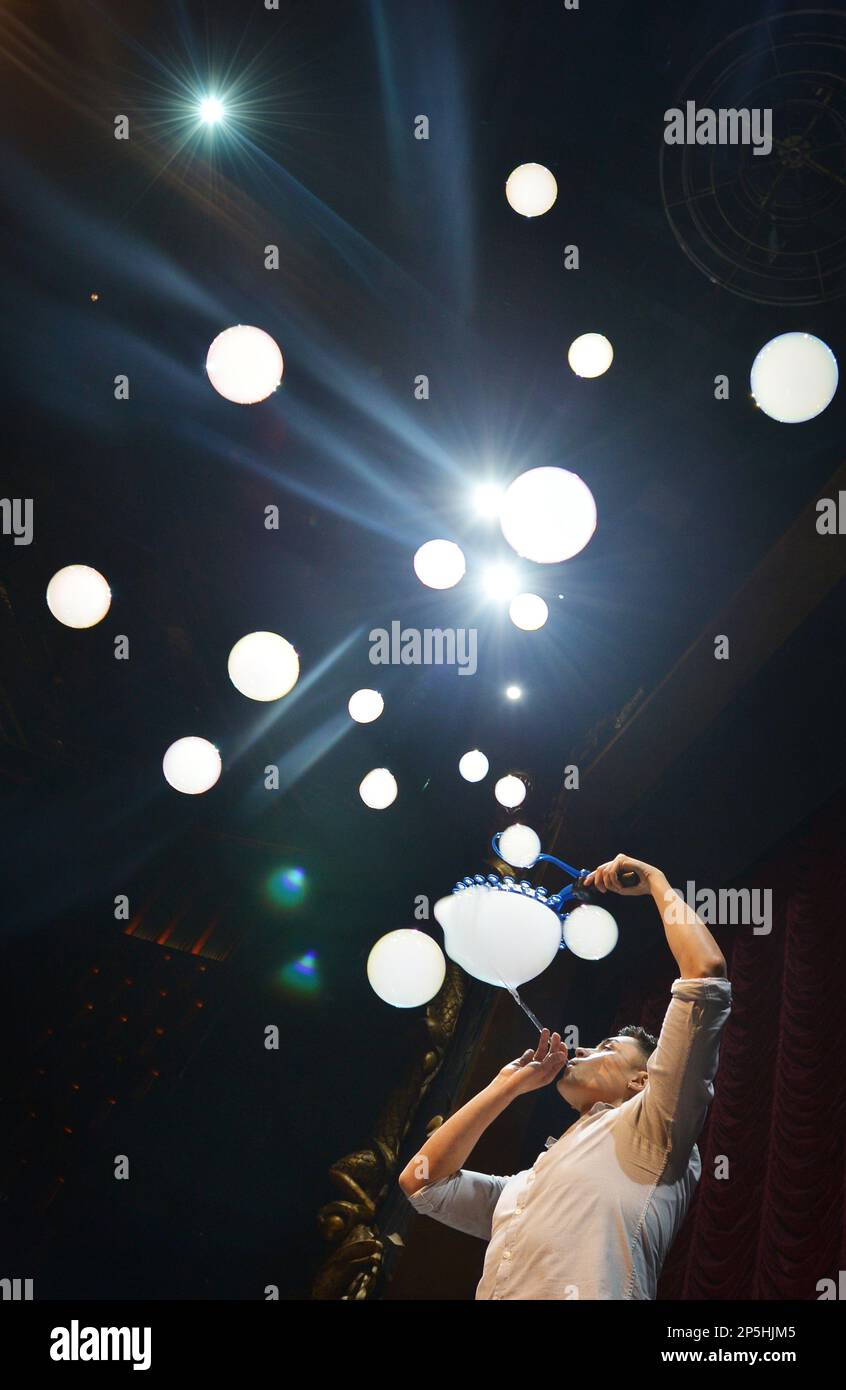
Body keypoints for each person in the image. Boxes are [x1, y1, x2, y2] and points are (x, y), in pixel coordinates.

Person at [399, 853, 731, 1300]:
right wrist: (505, 1086)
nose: (582, 1049)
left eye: (607, 1048)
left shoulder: (654, 1129)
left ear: (642, 1082)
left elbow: (705, 976)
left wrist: (656, 881)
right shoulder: (522, 1186)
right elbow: (421, 1181)